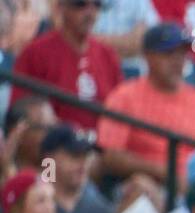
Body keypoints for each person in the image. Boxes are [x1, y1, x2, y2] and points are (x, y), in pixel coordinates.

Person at [96, 23, 195, 189]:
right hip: (148, 185)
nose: (177, 61)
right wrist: (164, 172)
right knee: (140, 186)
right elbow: (111, 155)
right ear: (148, 56)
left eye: (182, 53)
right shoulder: (125, 96)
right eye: (169, 53)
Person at [12, 0, 121, 130]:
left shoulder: (107, 54)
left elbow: (120, 109)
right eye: (80, 5)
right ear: (60, 7)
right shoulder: (35, 53)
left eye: (97, 5)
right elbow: (21, 113)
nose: (90, 12)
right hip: (54, 145)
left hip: (102, 144)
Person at [43, 124, 113, 213]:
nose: (83, 164)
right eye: (74, 156)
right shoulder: (33, 203)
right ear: (49, 159)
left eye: (86, 156)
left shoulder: (101, 207)